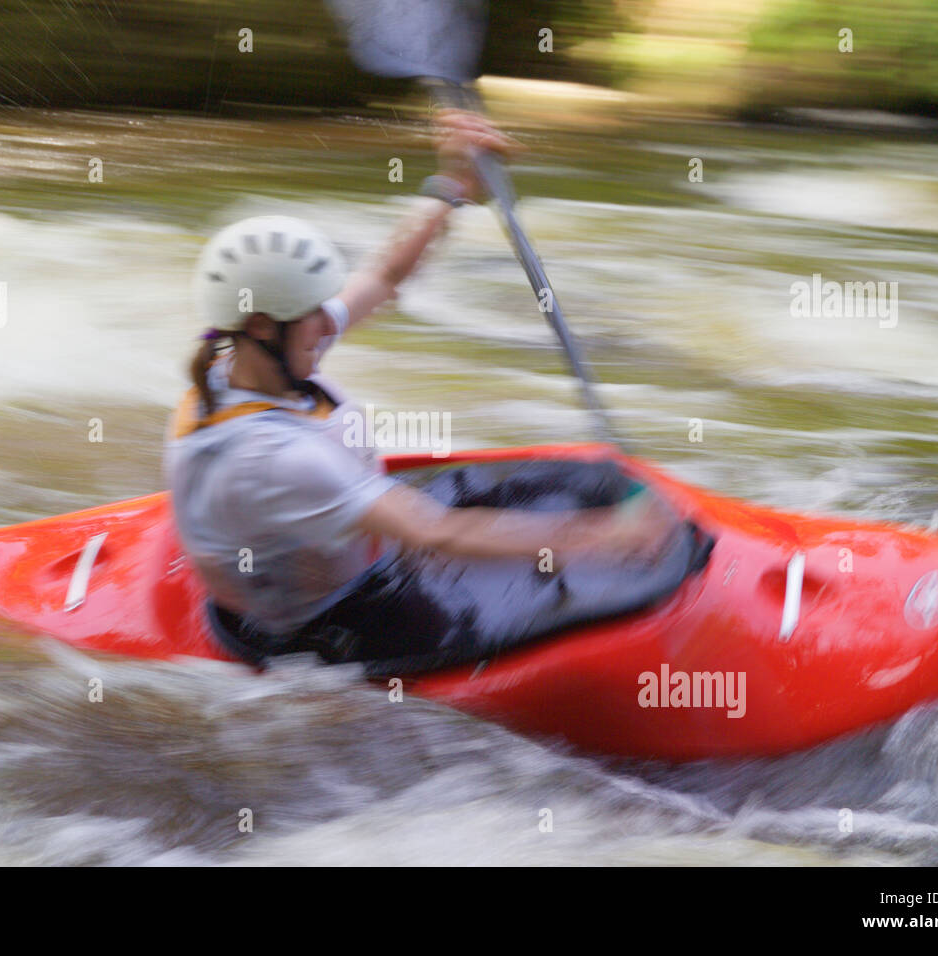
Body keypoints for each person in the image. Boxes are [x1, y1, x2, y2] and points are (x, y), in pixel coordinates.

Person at [164, 110, 681, 671]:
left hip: (349, 543)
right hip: (335, 617)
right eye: (313, 313)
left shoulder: (243, 359)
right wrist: (607, 537)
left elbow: (383, 277)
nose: (328, 322)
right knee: (561, 571)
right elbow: (438, 534)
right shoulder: (274, 458)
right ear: (263, 326)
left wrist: (451, 186)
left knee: (568, 486)